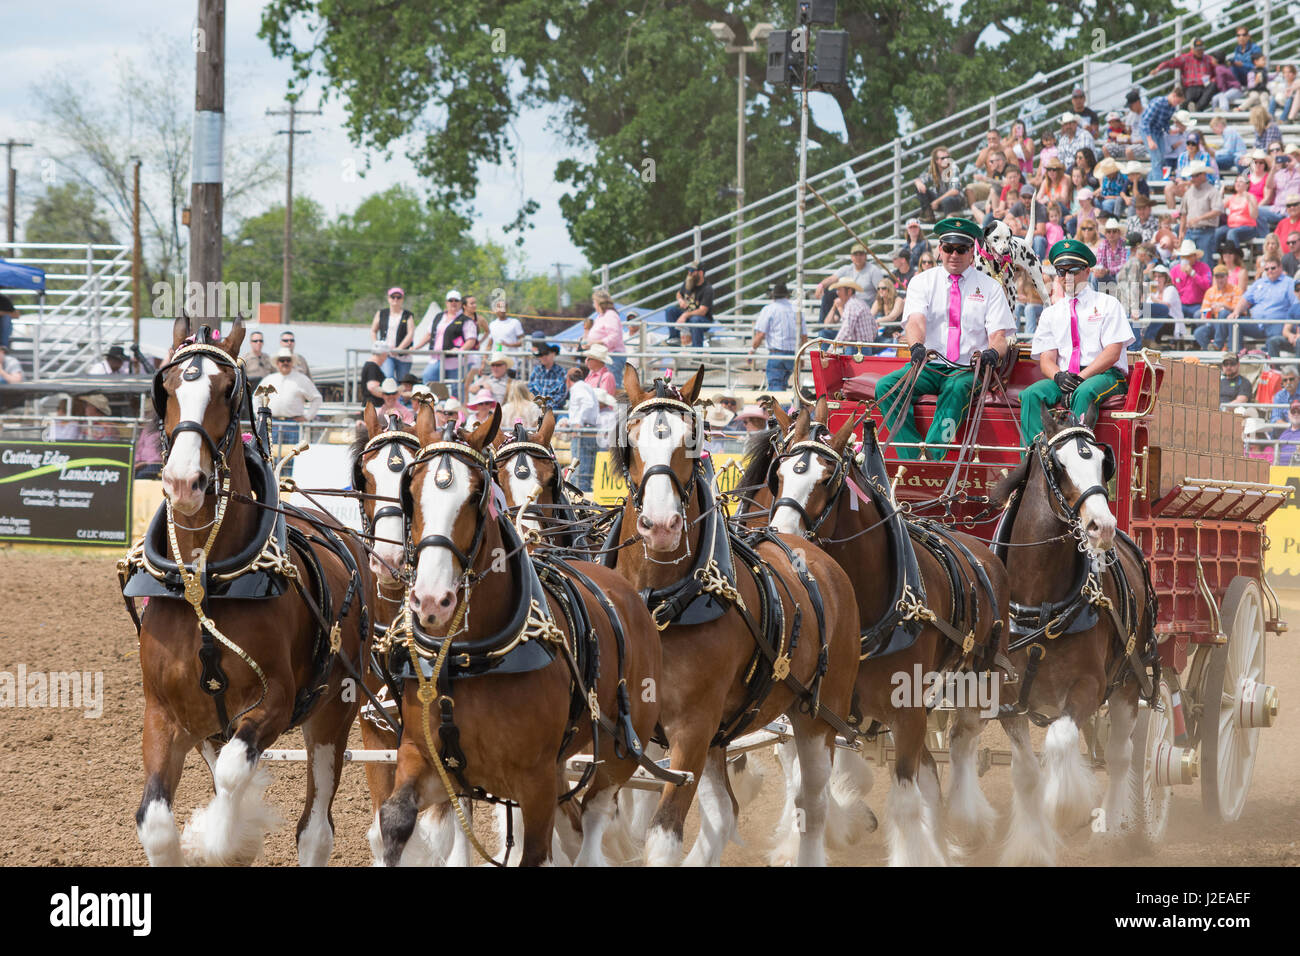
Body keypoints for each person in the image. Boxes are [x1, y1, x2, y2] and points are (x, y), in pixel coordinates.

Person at [875, 217, 1016, 461]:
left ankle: (932, 458)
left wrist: (993, 352)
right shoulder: (922, 282)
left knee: (956, 387)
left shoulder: (990, 288)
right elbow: (915, 321)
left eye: (961, 249)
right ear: (939, 249)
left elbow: (999, 336)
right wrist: (916, 346)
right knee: (886, 387)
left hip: (967, 369)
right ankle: (909, 458)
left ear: (972, 251)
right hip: (929, 366)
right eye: (949, 248)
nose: (954, 254)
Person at [1019, 239, 1135, 445]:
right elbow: (1046, 358)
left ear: (1088, 270)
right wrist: (1059, 377)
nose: (1067, 277)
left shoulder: (1108, 303)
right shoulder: (1050, 313)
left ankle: (1078, 453)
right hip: (1066, 376)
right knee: (1031, 394)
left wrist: (1080, 378)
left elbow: (1112, 353)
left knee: (1084, 391)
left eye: (1074, 270)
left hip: (1104, 374)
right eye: (1061, 271)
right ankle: (1035, 456)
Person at [1224, 257, 1300, 355]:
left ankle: (1267, 358)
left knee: (1275, 335)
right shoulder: (1259, 282)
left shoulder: (1289, 283)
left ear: (1280, 267)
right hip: (1256, 323)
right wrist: (1236, 312)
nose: (1270, 271)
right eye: (1267, 269)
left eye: (1273, 268)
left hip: (1277, 323)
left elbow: (1296, 306)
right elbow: (1245, 299)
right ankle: (1235, 356)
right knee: (1235, 322)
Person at [413, 289, 478, 393]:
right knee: (428, 378)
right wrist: (417, 347)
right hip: (437, 359)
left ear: (460, 303)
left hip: (456, 361)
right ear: (446, 303)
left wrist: (460, 350)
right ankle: (433, 406)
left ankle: (457, 408)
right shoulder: (438, 317)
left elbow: (471, 340)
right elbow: (429, 335)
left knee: (456, 388)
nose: (453, 303)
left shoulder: (466, 320)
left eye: (456, 301)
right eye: (450, 300)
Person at [751, 279, 805, 390]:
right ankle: (786, 406)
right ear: (787, 296)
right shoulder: (796, 310)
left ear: (773, 296)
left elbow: (760, 334)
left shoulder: (769, 309)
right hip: (794, 354)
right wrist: (802, 356)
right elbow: (804, 337)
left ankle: (780, 407)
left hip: (776, 353)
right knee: (788, 386)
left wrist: (752, 349)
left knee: (776, 386)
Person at [262, 347, 322, 445]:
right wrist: (260, 416)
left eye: (288, 360)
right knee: (270, 456)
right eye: (282, 360)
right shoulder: (269, 379)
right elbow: (256, 397)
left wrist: (307, 417)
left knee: (290, 455)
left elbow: (317, 398)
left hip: (292, 424)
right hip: (272, 424)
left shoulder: (302, 379)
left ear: (292, 363)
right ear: (277, 363)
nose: (285, 362)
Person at [813, 242, 885, 321]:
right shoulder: (846, 269)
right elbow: (832, 279)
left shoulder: (873, 270)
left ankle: (829, 325)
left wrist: (872, 312)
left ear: (865, 256)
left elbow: (881, 292)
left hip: (866, 306)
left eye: (861, 254)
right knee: (829, 291)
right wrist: (821, 285)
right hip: (849, 304)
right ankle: (823, 325)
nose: (858, 257)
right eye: (855, 255)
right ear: (851, 257)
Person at [1150, 38, 1216, 112]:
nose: (1200, 51)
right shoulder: (1185, 58)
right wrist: (1158, 69)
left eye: (1201, 49)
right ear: (1192, 49)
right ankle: (1191, 109)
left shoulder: (1209, 59)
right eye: (1198, 49)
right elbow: (1170, 63)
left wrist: (1213, 79)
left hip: (1205, 87)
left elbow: (1219, 68)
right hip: (1191, 87)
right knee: (1188, 98)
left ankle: (1197, 108)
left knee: (1213, 85)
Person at [1137, 85, 1186, 182]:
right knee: (1157, 158)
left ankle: (1149, 182)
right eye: (1178, 101)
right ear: (1174, 95)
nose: (1177, 104)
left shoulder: (1172, 108)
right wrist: (1150, 140)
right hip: (1148, 131)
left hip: (1158, 131)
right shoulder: (1157, 103)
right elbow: (1145, 122)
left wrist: (1169, 130)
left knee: (1162, 158)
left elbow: (1165, 122)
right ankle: (1158, 185)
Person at [561, 367, 599, 493]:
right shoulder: (584, 386)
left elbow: (587, 403)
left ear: (568, 379)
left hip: (583, 432)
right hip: (588, 430)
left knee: (580, 471)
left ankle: (580, 502)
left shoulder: (578, 387)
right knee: (584, 471)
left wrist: (578, 423)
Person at [1177, 162, 1223, 263]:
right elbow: (1183, 214)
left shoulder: (1212, 191)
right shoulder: (1189, 192)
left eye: (1195, 176)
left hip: (1206, 231)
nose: (1192, 179)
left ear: (1203, 175)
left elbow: (1217, 211)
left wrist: (1199, 218)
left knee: (1205, 262)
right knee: (1185, 262)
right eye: (1191, 176)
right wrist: (1181, 232)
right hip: (1190, 231)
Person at [1194, 264, 1246, 350]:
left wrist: (1224, 306)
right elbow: (1204, 310)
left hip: (1230, 323)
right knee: (1199, 333)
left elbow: (1238, 309)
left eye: (1222, 277)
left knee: (1223, 312)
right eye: (1217, 277)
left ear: (1227, 277)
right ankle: (1212, 353)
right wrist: (1206, 315)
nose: (1219, 280)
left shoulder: (1236, 290)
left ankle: (1217, 344)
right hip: (1215, 322)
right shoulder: (1210, 291)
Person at [664, 261, 714, 348]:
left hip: (702, 320)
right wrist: (680, 300)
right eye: (689, 270)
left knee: (695, 320)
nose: (689, 273)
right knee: (670, 310)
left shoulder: (707, 289)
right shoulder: (689, 282)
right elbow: (679, 293)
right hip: (688, 317)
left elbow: (703, 311)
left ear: (700, 273)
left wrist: (685, 315)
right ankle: (674, 338)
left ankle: (697, 349)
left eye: (692, 271)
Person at [370, 287, 416, 381]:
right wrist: (377, 344)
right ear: (388, 298)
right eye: (393, 297)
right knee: (388, 377)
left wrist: (399, 349)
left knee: (403, 381)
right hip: (386, 353)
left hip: (403, 355)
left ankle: (400, 396)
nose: (395, 299)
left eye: (398, 297)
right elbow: (373, 330)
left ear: (402, 299)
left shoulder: (407, 315)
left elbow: (410, 333)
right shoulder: (381, 313)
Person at [914, 146, 967, 221]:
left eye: (947, 157)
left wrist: (937, 201)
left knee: (946, 200)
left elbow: (955, 191)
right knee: (919, 188)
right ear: (936, 161)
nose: (946, 160)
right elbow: (919, 179)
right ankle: (929, 215)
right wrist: (918, 183)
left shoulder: (953, 168)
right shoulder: (932, 169)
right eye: (942, 158)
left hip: (956, 201)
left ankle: (949, 221)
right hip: (940, 200)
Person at [1213, 174, 1261, 254]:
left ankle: (1235, 258)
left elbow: (1254, 216)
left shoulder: (1251, 197)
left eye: (1240, 182)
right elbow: (1218, 207)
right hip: (1231, 226)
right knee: (1218, 232)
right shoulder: (1231, 198)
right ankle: (1217, 256)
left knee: (1232, 233)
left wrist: (1249, 201)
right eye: (1236, 182)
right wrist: (1221, 192)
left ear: (1247, 185)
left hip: (1248, 227)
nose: (1237, 184)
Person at [587, 289, 626, 378]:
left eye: (594, 302)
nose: (593, 305)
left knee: (611, 386)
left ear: (598, 302)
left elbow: (614, 337)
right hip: (603, 356)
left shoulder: (610, 315)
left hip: (612, 356)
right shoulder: (601, 316)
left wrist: (595, 343)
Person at [1144, 264, 1182, 348]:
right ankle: (1148, 341)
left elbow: (1166, 306)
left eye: (1160, 276)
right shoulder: (1154, 290)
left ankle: (1149, 340)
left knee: (1160, 313)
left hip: (1172, 322)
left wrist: (1153, 298)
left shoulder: (1171, 289)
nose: (1157, 279)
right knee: (1145, 313)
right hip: (1158, 321)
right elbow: (1148, 307)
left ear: (1165, 278)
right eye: (1155, 276)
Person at [830, 278, 878, 344]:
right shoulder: (862, 303)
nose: (837, 293)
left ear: (849, 291)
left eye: (839, 290)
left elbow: (846, 330)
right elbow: (874, 326)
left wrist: (832, 348)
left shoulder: (851, 305)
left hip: (855, 346)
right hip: (864, 346)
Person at [527, 339, 567, 410]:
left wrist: (547, 406)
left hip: (554, 410)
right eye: (541, 354)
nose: (543, 357)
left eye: (546, 353)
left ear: (553, 354)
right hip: (536, 408)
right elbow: (530, 390)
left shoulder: (561, 372)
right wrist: (537, 404)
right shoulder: (536, 371)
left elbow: (561, 395)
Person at [1093, 219, 1129, 286]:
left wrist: (1108, 271)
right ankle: (1098, 296)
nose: (1111, 234)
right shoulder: (1103, 244)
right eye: (1109, 232)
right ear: (1106, 234)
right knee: (1095, 276)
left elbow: (1125, 265)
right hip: (1106, 275)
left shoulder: (1124, 244)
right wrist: (1100, 270)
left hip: (1120, 276)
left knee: (1120, 276)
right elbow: (1099, 262)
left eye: (1114, 231)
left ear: (1119, 233)